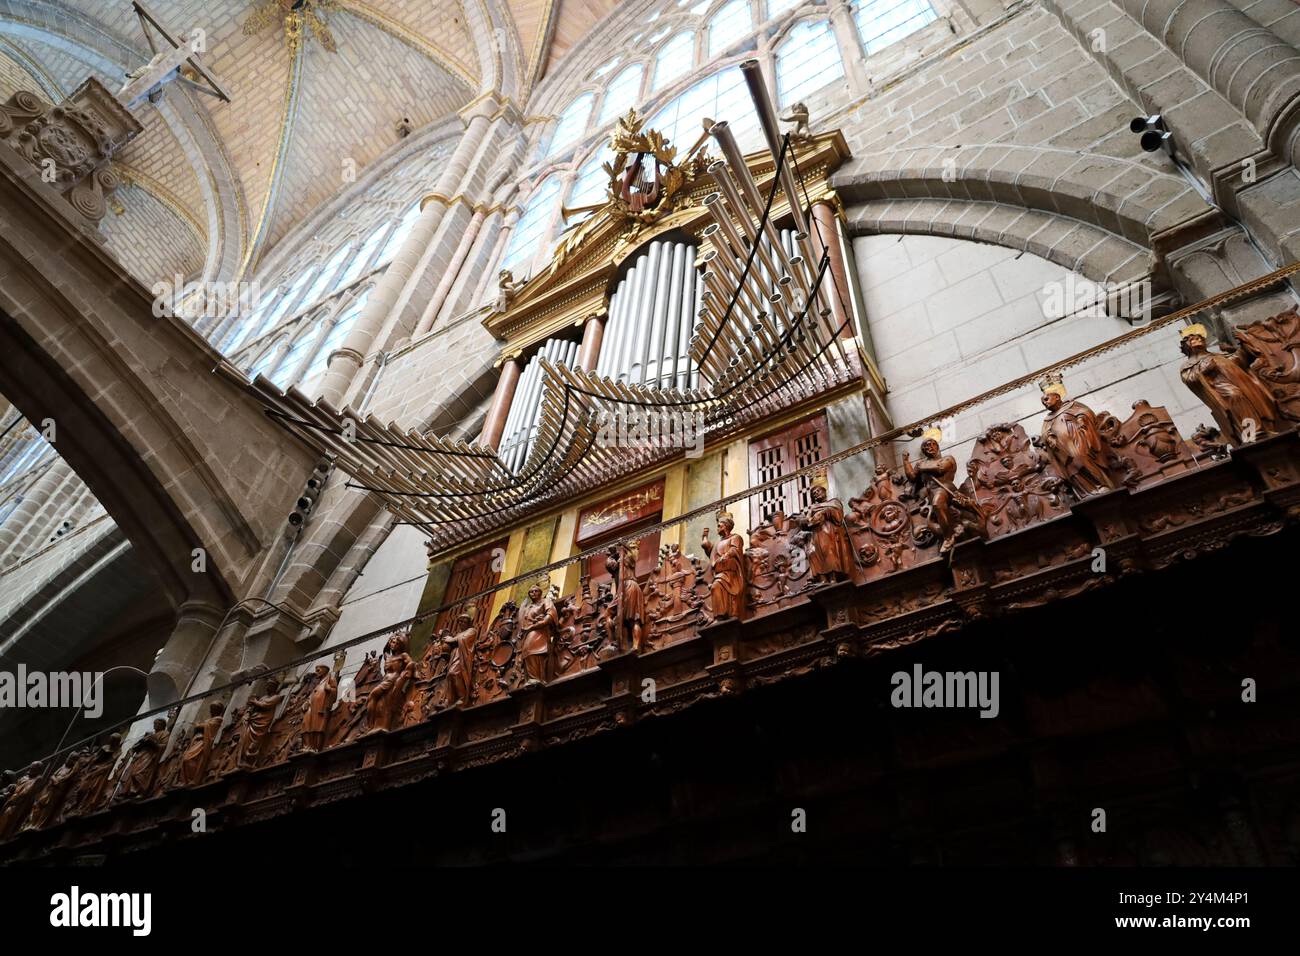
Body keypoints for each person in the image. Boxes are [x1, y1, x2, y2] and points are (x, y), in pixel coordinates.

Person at [1179, 323, 1279, 444]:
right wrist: (1204, 371)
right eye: (1194, 339)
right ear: (1187, 345)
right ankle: (1252, 432)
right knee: (1235, 395)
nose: (1199, 339)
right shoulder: (1188, 365)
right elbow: (1190, 379)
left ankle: (1265, 427)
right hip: (1219, 387)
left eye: (1200, 338)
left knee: (1256, 395)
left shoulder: (1216, 355)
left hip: (1243, 383)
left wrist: (1243, 344)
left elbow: (1237, 360)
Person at [1037, 376, 1119, 497]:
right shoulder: (1047, 419)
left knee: (1081, 458)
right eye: (1043, 402)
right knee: (1072, 469)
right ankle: (1087, 492)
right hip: (1062, 451)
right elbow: (1045, 433)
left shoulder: (1072, 405)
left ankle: (1101, 484)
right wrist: (1049, 437)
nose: (1045, 403)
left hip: (1078, 440)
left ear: (1057, 397)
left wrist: (1081, 419)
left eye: (1047, 399)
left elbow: (1085, 412)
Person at [798, 469, 855, 584]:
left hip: (829, 531)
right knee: (816, 553)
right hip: (816, 533)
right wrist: (804, 521)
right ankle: (823, 578)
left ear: (824, 492)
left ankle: (833, 576)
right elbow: (806, 520)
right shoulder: (813, 508)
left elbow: (838, 516)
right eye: (814, 493)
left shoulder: (833, 502)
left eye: (818, 491)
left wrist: (825, 512)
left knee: (828, 551)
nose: (816, 494)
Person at [702, 510, 747, 620]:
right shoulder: (718, 542)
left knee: (730, 593)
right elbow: (710, 550)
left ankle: (732, 614)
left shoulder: (735, 538)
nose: (717, 528)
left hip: (732, 573)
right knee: (715, 586)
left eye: (719, 525)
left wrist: (727, 555)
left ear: (726, 525)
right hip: (720, 573)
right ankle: (720, 616)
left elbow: (736, 549)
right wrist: (704, 538)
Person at [518, 582, 559, 686]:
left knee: (533, 651)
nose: (533, 593)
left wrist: (541, 621)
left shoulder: (546, 601)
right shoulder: (529, 607)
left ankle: (537, 677)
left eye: (536, 591)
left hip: (540, 631)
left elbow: (550, 614)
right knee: (527, 652)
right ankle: (531, 677)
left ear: (540, 593)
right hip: (529, 631)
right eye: (531, 592)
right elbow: (523, 621)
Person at [443, 606, 478, 707]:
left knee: (454, 673)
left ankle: (462, 697)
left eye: (463, 621)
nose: (461, 623)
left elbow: (464, 639)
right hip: (455, 656)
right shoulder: (459, 633)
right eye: (460, 622)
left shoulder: (472, 631)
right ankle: (449, 700)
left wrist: (452, 640)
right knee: (449, 675)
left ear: (468, 623)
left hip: (463, 657)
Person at [301, 665, 337, 752]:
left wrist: (330, 689)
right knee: (306, 723)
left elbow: (334, 693)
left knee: (318, 727)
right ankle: (307, 746)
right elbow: (312, 695)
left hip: (321, 708)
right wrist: (307, 702)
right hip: (312, 707)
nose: (316, 672)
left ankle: (315, 747)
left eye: (318, 670)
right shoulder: (319, 682)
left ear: (325, 670)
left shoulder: (330, 679)